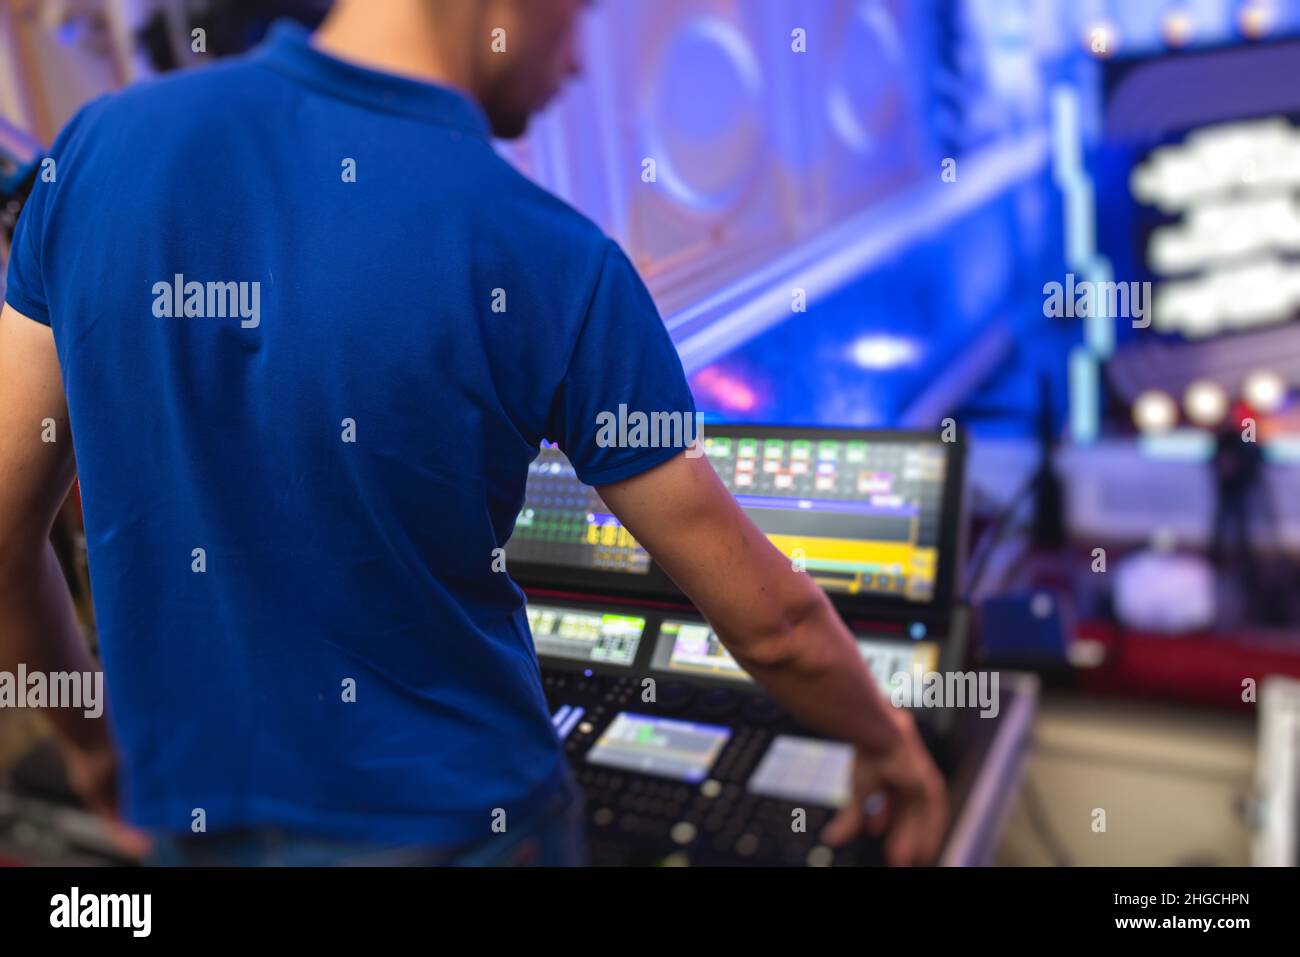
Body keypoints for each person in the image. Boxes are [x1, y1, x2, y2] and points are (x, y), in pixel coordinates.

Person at [0, 0, 946, 866]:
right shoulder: (550, 254)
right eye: (578, 15)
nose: (578, 64)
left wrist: (92, 741)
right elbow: (773, 625)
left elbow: (5, 534)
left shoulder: (96, 153)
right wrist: (886, 739)